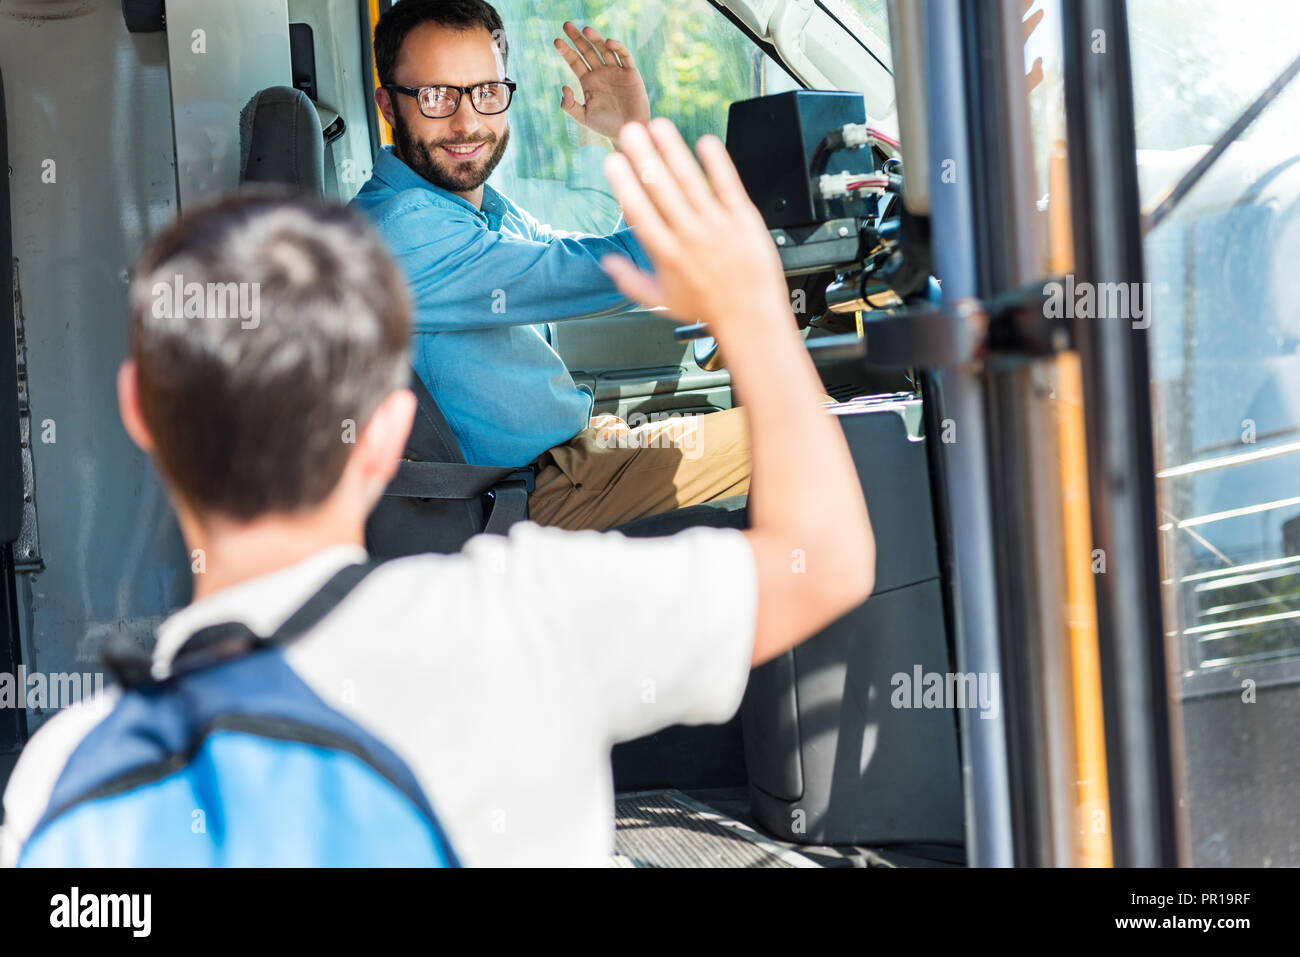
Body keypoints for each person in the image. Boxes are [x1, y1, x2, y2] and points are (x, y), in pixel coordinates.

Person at [0, 119, 873, 867]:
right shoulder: (528, 615)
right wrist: (754, 309)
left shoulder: (63, 778)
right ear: (385, 432)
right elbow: (827, 558)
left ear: (139, 412)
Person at [352, 0, 764, 532]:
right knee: (813, 430)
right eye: (435, 96)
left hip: (574, 457)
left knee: (822, 417)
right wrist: (643, 141)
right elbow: (606, 270)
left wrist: (624, 136)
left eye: (485, 92)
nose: (467, 121)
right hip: (525, 496)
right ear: (388, 106)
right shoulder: (400, 231)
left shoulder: (474, 208)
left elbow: (588, 249)